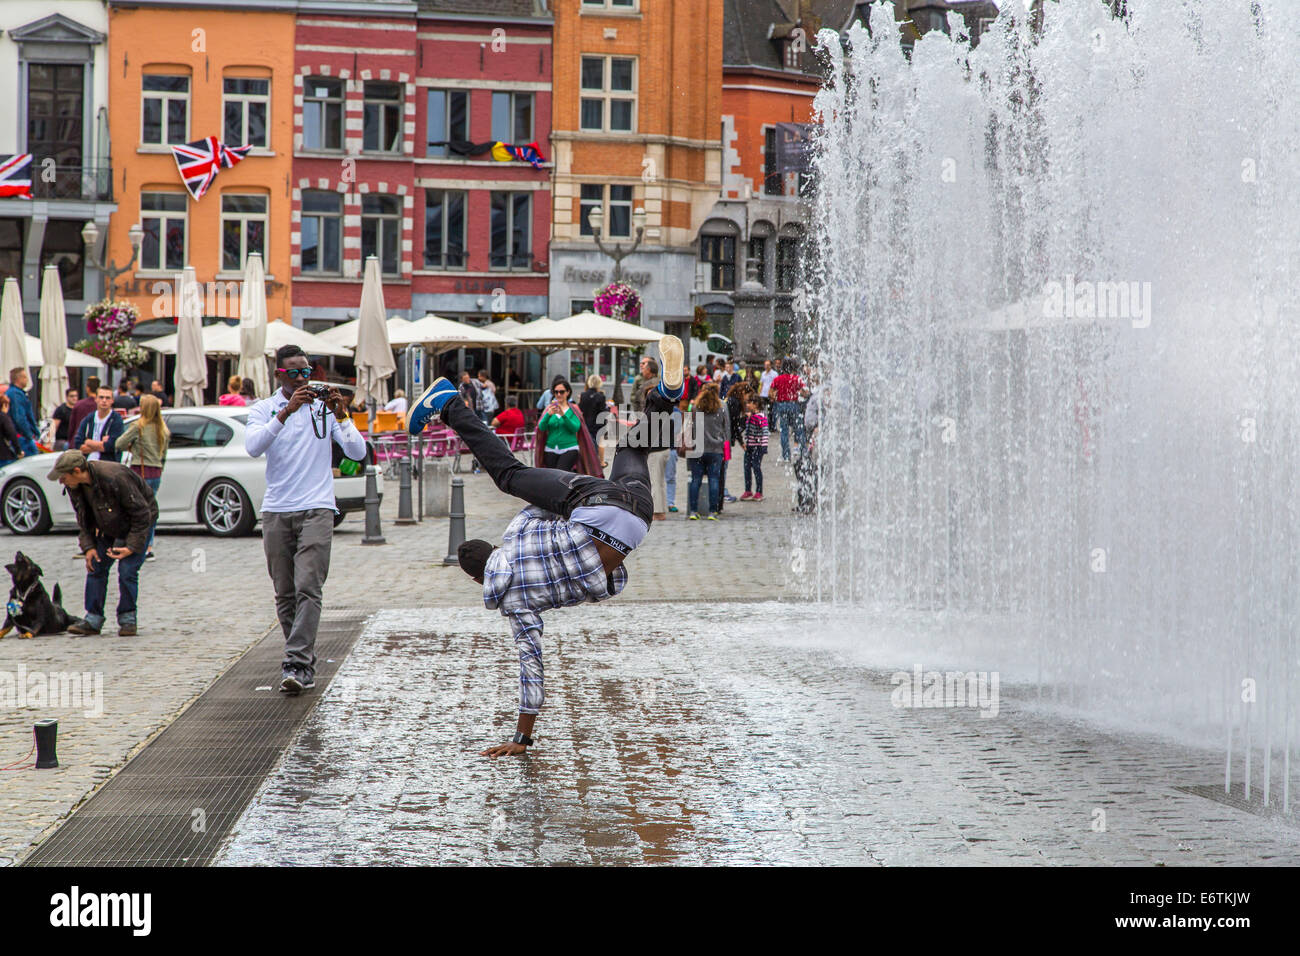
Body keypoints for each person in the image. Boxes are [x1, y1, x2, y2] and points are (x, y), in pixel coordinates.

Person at [404, 334, 686, 757]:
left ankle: (665, 398)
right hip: (596, 504)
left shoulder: (516, 607)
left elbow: (531, 668)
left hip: (635, 522)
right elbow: (542, 506)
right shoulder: (516, 535)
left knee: (632, 450)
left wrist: (522, 738)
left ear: (476, 579)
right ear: (492, 553)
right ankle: (665, 397)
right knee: (510, 475)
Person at [245, 344, 366, 695]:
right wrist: (285, 413)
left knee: (308, 588)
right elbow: (253, 447)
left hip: (317, 507)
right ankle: (301, 661)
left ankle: (295, 662)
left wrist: (342, 414)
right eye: (295, 373)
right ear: (280, 374)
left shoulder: (326, 411)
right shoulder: (264, 409)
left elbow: (357, 453)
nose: (303, 378)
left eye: (307, 372)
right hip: (277, 510)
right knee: (284, 593)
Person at [48, 450, 157, 637]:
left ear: (76, 471)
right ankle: (93, 619)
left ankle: (128, 620)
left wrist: (131, 546)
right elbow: (83, 520)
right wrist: (89, 547)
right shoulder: (76, 487)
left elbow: (142, 514)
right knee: (96, 566)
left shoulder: (114, 477)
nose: (61, 481)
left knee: (127, 571)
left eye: (63, 477)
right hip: (109, 525)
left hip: (138, 523)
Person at [116, 395, 170, 562]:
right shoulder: (163, 429)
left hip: (140, 472)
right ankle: (149, 546)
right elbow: (164, 455)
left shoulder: (138, 426)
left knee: (136, 511)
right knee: (150, 510)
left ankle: (136, 545)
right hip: (156, 473)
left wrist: (132, 446)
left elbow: (119, 444)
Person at [685, 382, 729, 521]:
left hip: (697, 448)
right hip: (716, 449)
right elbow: (726, 428)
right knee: (714, 480)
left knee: (696, 479)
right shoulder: (722, 406)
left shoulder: (695, 406)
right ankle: (712, 511)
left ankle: (693, 511)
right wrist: (726, 444)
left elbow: (689, 427)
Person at [632, 356, 668, 520]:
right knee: (658, 479)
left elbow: (635, 398)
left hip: (657, 447)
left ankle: (658, 512)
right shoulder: (660, 390)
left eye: (644, 366)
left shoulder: (653, 389)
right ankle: (658, 509)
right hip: (661, 446)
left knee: (655, 479)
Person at [537, 378, 581, 472]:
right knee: (552, 477)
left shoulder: (574, 409)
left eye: (561, 392)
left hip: (570, 448)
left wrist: (563, 415)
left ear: (568, 392)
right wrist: (548, 415)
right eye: (556, 392)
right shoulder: (549, 408)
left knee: (561, 474)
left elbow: (575, 428)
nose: (558, 394)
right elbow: (541, 427)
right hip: (550, 448)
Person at [74, 386, 125, 463]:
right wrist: (101, 444)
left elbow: (111, 446)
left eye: (107, 398)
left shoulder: (116, 420)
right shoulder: (88, 419)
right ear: (96, 399)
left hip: (107, 466)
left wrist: (88, 442)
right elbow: (78, 445)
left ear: (112, 400)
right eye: (101, 397)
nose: (104, 400)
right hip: (87, 465)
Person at [769, 365, 806, 461]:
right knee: (799, 430)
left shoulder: (778, 379)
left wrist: (775, 397)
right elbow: (804, 392)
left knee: (784, 431)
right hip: (794, 404)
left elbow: (770, 393)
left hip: (781, 405)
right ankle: (803, 453)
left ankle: (786, 455)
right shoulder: (796, 379)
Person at [740, 395, 769, 501]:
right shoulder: (750, 416)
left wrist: (764, 446)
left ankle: (759, 491)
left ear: (755, 404)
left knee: (756, 468)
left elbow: (765, 432)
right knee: (747, 468)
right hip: (749, 447)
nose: (747, 405)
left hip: (758, 447)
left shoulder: (761, 417)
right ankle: (748, 490)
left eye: (749, 403)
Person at [578, 374, 609, 467]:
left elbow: (580, 410)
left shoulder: (583, 395)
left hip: (586, 423)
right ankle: (601, 462)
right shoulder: (601, 396)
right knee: (600, 442)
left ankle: (588, 461)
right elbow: (603, 411)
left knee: (588, 443)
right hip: (598, 424)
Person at [6, 368, 39, 457]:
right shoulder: (16, 394)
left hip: (20, 436)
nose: (27, 380)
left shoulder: (14, 393)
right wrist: (29, 435)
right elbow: (19, 417)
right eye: (25, 377)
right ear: (18, 379)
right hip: (22, 437)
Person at [68, 375, 100, 440]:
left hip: (77, 441)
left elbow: (71, 427)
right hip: (96, 442)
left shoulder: (78, 405)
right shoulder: (101, 406)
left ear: (88, 388)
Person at [0, 393, 26, 466]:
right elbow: (12, 434)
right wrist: (18, 451)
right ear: (4, 405)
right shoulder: (4, 417)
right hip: (4, 455)